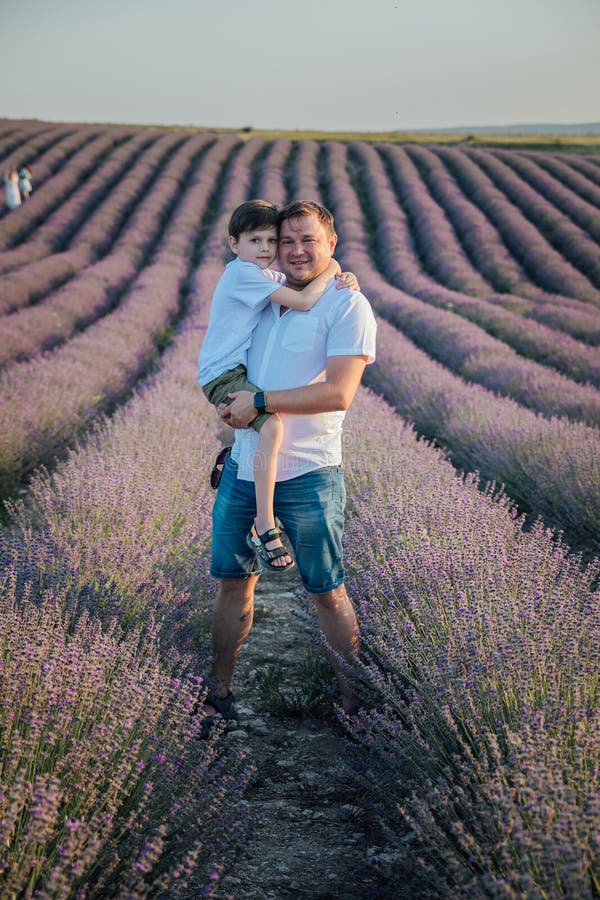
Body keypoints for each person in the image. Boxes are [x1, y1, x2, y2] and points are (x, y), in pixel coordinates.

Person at [199, 200, 377, 728]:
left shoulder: (348, 306)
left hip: (310, 472)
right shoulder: (266, 289)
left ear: (332, 244)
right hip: (245, 464)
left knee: (327, 590)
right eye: (286, 240)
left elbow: (339, 393)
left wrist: (261, 402)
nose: (295, 250)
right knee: (232, 583)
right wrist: (240, 406)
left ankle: (352, 706)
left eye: (308, 241)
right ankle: (218, 693)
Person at [198, 199, 358, 571]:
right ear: (234, 243)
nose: (267, 250)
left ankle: (264, 520)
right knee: (271, 425)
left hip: (230, 373)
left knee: (268, 425)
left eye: (272, 241)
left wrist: (341, 280)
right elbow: (303, 300)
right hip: (223, 373)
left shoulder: (260, 274)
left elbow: (294, 286)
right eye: (256, 241)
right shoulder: (244, 274)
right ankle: (265, 524)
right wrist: (333, 267)